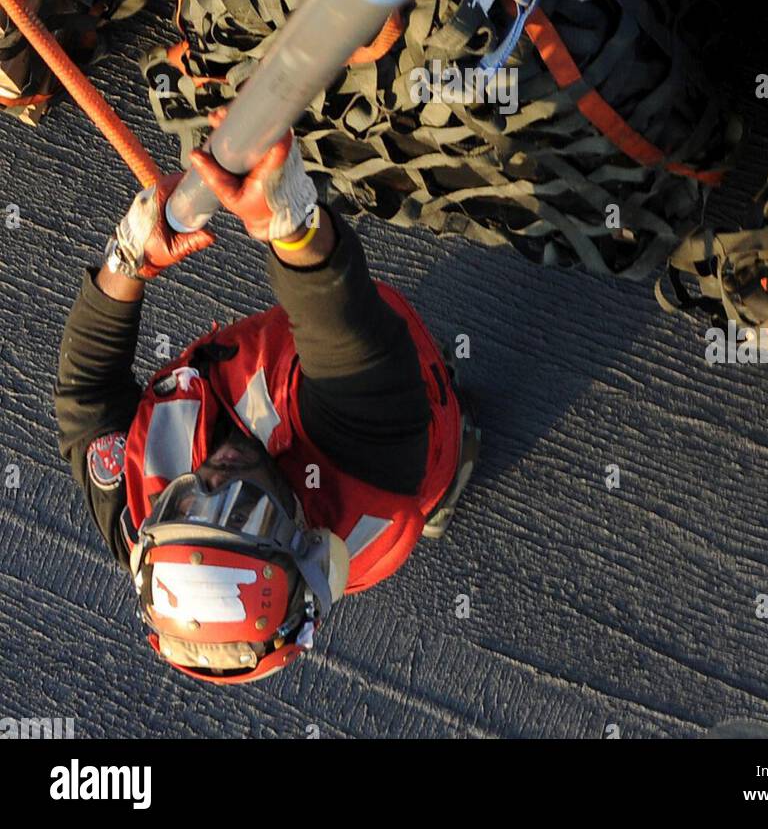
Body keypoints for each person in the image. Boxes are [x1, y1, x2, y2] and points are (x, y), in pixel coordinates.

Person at [54, 128, 478, 683]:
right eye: (242, 512)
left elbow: (86, 396)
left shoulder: (146, 528)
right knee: (424, 436)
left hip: (274, 369)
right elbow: (342, 334)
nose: (213, 481)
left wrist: (127, 260)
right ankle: (453, 461)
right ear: (304, 539)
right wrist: (290, 224)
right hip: (396, 402)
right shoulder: (364, 468)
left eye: (187, 507)